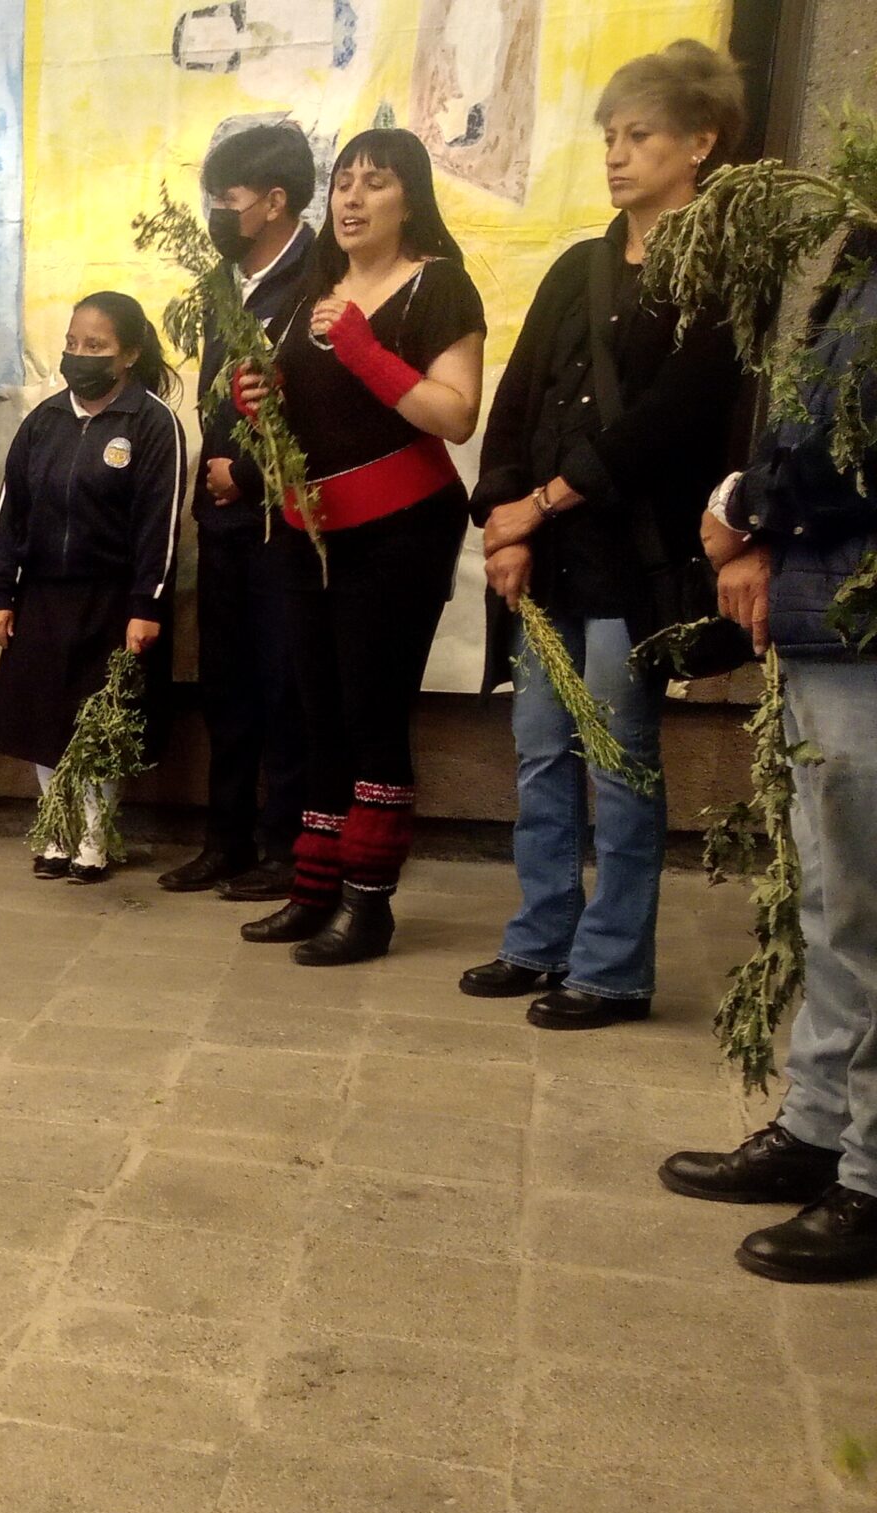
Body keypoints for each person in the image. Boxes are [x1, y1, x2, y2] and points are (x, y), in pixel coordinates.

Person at [464, 44, 746, 1030]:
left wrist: (541, 502)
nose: (618, 156)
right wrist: (501, 523)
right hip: (546, 562)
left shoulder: (715, 280)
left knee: (619, 759)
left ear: (698, 143)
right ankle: (540, 939)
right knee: (540, 751)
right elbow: (512, 399)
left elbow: (670, 418)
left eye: (641, 137)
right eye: (610, 138)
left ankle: (615, 969)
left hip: (634, 560)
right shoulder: (576, 267)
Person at [660, 225, 877, 1282]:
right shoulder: (860, 249)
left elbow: (855, 435)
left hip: (864, 618)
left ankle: (871, 1179)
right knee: (835, 907)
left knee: (871, 910)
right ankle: (820, 1126)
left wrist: (743, 502)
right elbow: (808, 411)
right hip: (829, 617)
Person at [233, 128, 485, 963]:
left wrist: (367, 354)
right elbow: (308, 416)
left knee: (372, 714)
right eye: (342, 182)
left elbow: (454, 416)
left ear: (410, 196)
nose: (350, 198)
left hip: (401, 531)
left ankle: (368, 906)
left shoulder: (438, 287)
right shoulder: (314, 286)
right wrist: (254, 401)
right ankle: (313, 892)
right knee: (316, 715)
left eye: (374, 183)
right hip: (311, 533)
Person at [159, 123, 318, 900]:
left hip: (287, 523)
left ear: (275, 201)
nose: (217, 212)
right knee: (227, 687)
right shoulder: (224, 283)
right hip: (225, 522)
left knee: (287, 686)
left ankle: (287, 849)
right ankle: (224, 839)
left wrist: (250, 476)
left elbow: (323, 411)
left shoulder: (321, 279)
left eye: (228, 198)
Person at [0, 292, 184, 883]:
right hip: (44, 595)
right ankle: (56, 830)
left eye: (95, 347)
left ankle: (94, 837)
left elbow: (160, 524)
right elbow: (9, 514)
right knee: (46, 719)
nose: (79, 356)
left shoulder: (151, 423)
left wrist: (146, 605)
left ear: (129, 354)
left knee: (99, 723)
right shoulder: (42, 422)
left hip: (115, 601)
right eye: (72, 344)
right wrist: (0, 594)